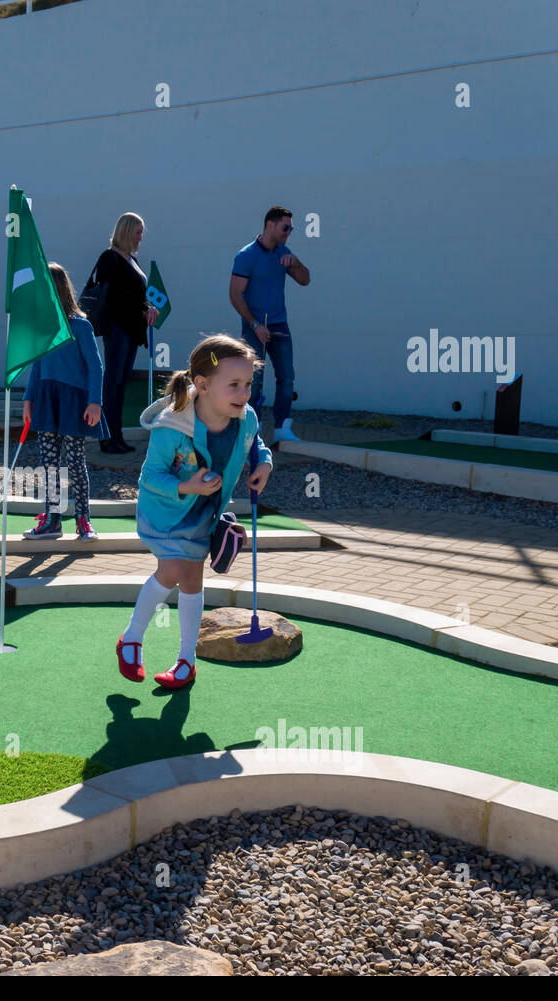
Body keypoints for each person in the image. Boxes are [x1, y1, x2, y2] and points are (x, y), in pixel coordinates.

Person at [118, 335, 272, 690]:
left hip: (206, 513)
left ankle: (186, 660)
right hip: (168, 512)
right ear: (201, 385)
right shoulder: (173, 426)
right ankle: (132, 637)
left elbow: (256, 445)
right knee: (171, 570)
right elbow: (151, 476)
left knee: (191, 579)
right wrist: (189, 486)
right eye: (233, 384)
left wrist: (263, 463)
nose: (243, 393)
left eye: (248, 384)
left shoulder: (245, 418)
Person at [21, 263, 106, 541]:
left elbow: (95, 366)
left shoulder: (80, 325)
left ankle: (83, 519)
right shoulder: (41, 325)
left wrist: (94, 402)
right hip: (46, 400)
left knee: (75, 461)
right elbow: (36, 366)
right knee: (48, 463)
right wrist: (28, 400)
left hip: (73, 402)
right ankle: (52, 519)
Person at [229, 205, 311, 442]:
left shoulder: (283, 253)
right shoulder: (246, 255)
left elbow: (306, 280)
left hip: (279, 325)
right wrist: (255, 325)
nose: (288, 232)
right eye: (286, 227)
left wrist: (295, 262)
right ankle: (249, 432)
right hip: (255, 327)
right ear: (270, 225)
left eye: (291, 229)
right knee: (253, 380)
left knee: (286, 377)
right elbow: (235, 295)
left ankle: (282, 429)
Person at [88, 212, 158, 454]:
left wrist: (148, 308)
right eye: (138, 232)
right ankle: (106, 438)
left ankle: (116, 436)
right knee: (112, 383)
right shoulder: (110, 258)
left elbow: (136, 297)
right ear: (127, 232)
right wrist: (140, 310)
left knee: (120, 385)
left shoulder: (131, 260)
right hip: (118, 329)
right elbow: (114, 298)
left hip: (132, 330)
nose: (141, 238)